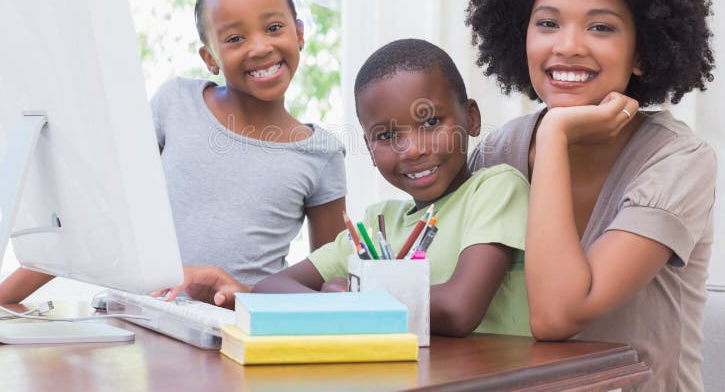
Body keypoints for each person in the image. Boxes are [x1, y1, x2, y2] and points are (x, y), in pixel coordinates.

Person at [466, 0, 716, 390]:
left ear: (642, 52)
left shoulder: (679, 160)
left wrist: (555, 135)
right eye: (548, 23)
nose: (568, 46)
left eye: (601, 28)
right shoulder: (496, 153)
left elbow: (558, 315)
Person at [0, 0, 347, 305]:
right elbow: (97, 210)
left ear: (299, 34)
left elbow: (325, 279)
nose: (259, 47)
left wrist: (262, 297)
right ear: (210, 58)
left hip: (241, 335)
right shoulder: (176, 103)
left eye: (273, 28)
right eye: (235, 38)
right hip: (144, 318)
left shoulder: (321, 154)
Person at [177, 38, 532, 336]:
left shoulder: (497, 188)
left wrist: (357, 300)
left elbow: (459, 308)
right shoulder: (379, 224)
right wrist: (337, 303)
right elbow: (272, 288)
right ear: (370, 148)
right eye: (387, 136)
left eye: (431, 122)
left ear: (470, 117)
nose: (413, 149)